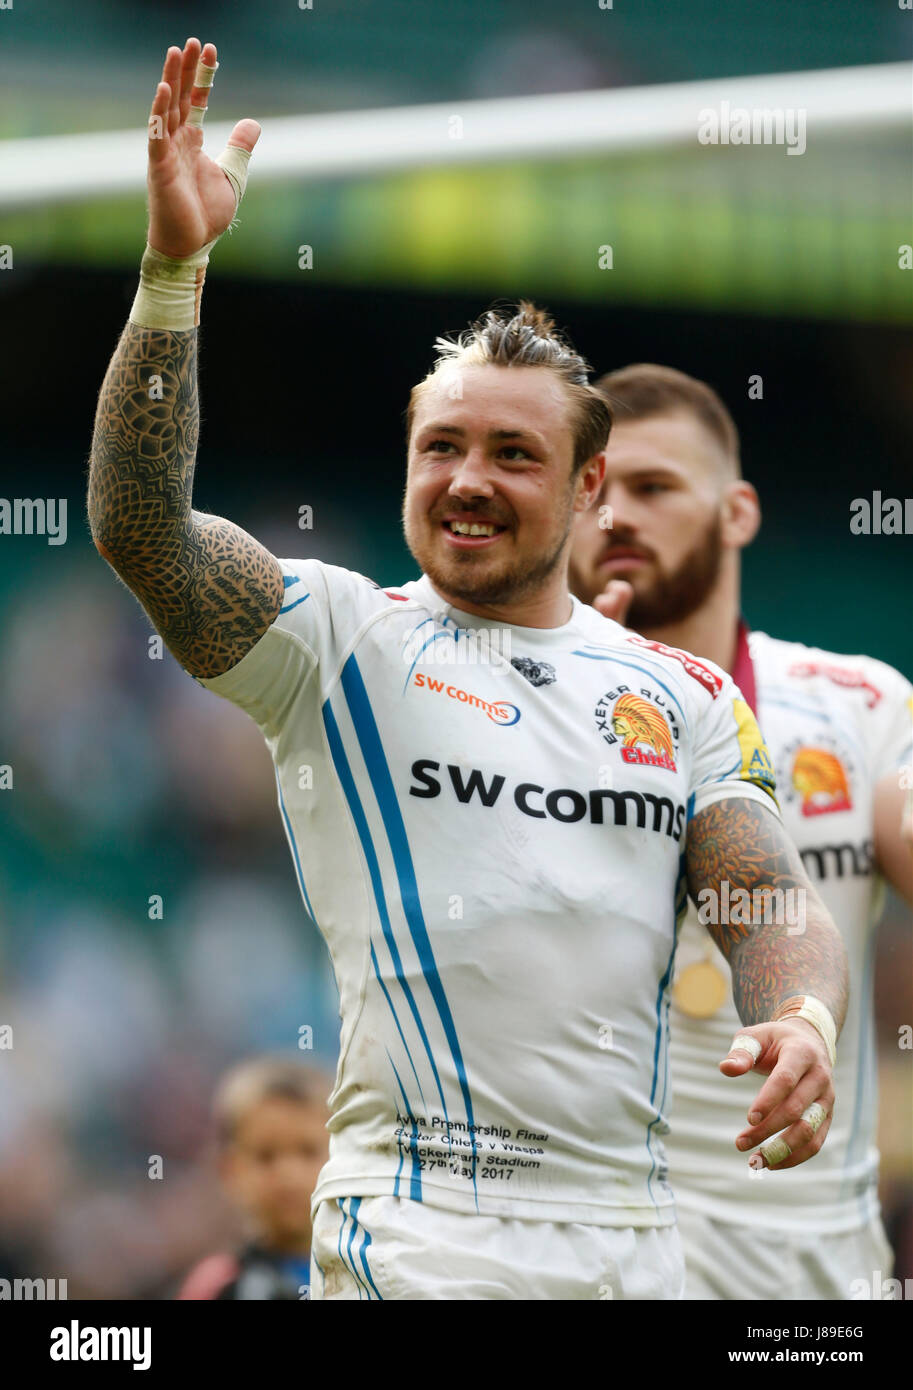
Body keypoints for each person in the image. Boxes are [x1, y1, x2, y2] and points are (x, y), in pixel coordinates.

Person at [88, 38, 849, 1300]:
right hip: (425, 1227)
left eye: (511, 451)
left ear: (588, 486)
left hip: (636, 1240)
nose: (468, 479)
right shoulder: (334, 640)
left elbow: (766, 894)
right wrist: (175, 274)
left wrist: (803, 1021)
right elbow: (139, 527)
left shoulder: (686, 698)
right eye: (441, 445)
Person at [568, 362, 913, 1299]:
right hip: (588, 1254)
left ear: (738, 513)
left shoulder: (862, 705)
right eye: (594, 491)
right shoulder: (510, 707)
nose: (616, 518)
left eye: (654, 487)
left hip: (807, 1277)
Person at [178, 1057, 331, 1300]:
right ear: (229, 1171)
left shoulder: (381, 1270)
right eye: (265, 1156)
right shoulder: (221, 1287)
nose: (288, 1176)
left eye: (308, 1151)